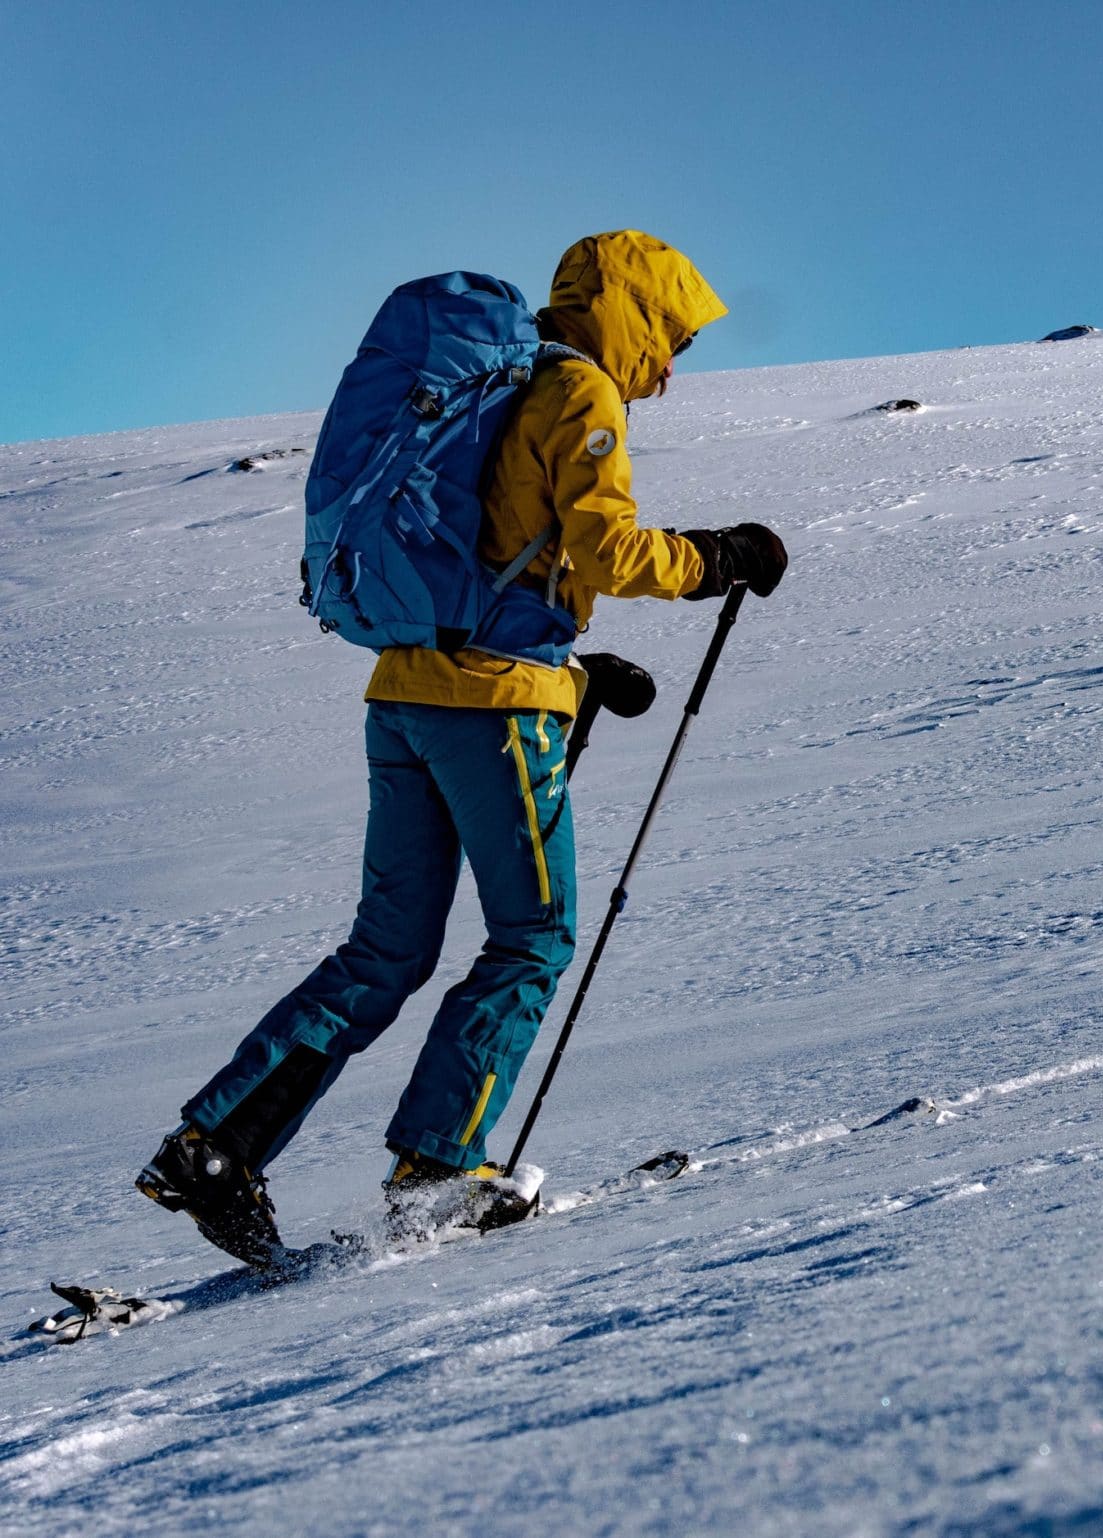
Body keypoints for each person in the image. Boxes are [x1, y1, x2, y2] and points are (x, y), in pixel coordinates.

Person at [137, 231, 787, 1266]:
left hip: (407, 693)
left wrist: (574, 672)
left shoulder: (497, 384)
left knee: (386, 949)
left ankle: (215, 1146)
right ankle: (437, 1168)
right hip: (494, 707)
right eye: (670, 339)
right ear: (628, 313)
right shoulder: (579, 392)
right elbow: (608, 551)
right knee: (533, 936)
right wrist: (720, 558)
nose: (668, 370)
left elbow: (489, 558)